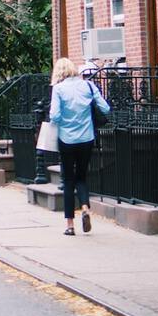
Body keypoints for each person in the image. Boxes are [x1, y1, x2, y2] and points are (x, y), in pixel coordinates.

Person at [47, 58, 109, 236]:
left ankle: (70, 225)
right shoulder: (88, 86)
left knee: (68, 180)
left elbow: (55, 116)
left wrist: (61, 121)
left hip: (66, 140)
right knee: (81, 177)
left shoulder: (58, 89)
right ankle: (85, 207)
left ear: (58, 72)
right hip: (87, 138)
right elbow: (105, 108)